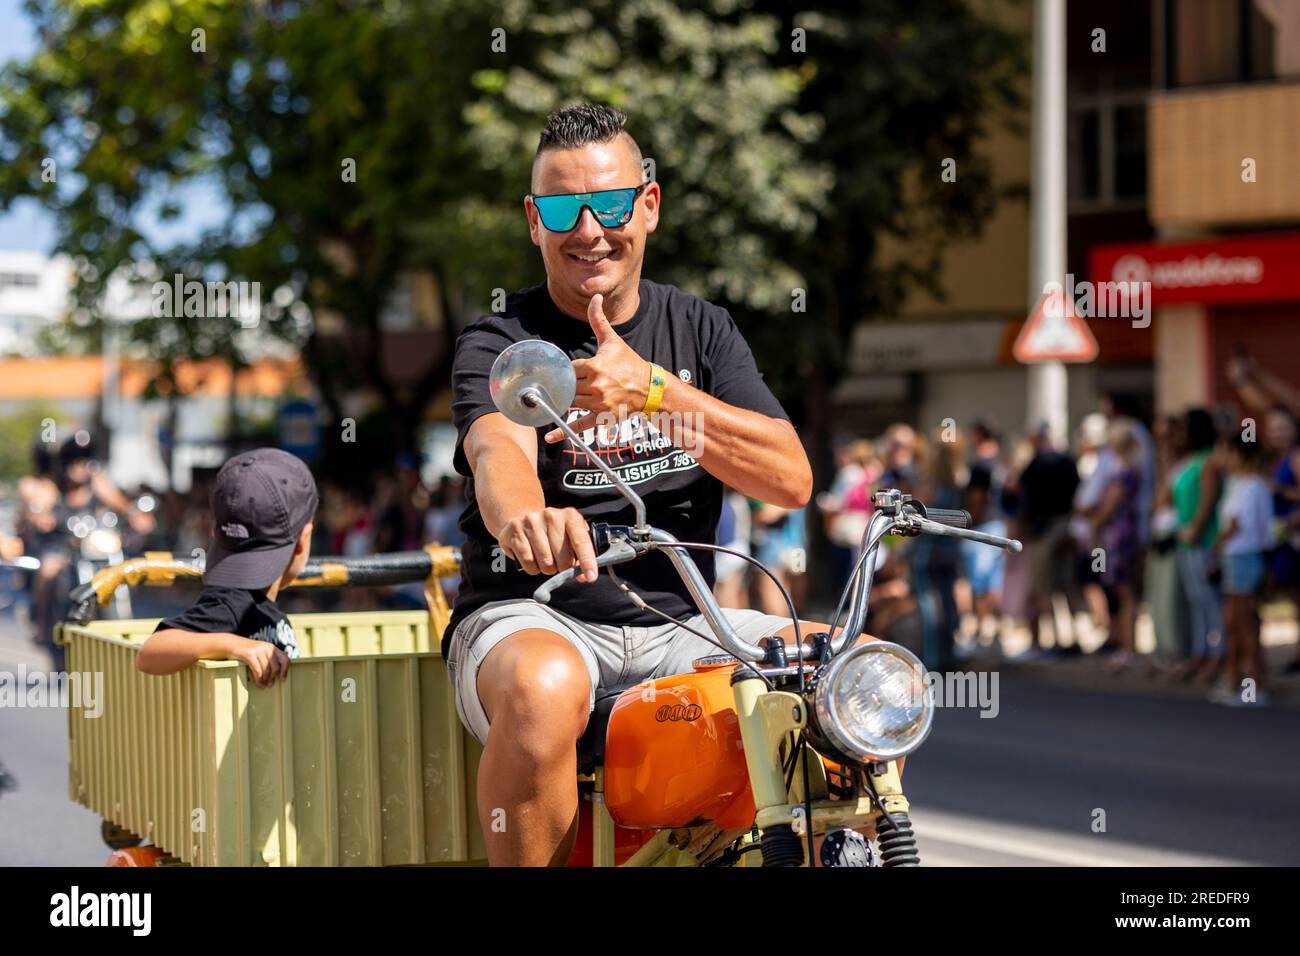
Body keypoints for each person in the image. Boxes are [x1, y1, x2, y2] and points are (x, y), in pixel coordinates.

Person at [446, 103, 819, 866]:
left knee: (848, 674)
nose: (589, 229)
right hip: (536, 618)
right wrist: (528, 521)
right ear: (533, 220)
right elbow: (499, 456)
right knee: (544, 688)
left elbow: (789, 478)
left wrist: (654, 391)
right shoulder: (505, 340)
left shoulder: (702, 330)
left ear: (647, 206)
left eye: (610, 203)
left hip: (686, 626)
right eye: (561, 208)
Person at [137, 449, 318, 688]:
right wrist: (233, 645)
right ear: (304, 539)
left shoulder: (257, 603)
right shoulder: (232, 602)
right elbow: (151, 652)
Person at [1209, 433, 1274, 706]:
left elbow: (1237, 524)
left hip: (1245, 557)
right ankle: (1235, 680)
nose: (1223, 458)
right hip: (1235, 557)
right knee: (1234, 624)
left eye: (1227, 452)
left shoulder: (1253, 486)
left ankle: (1255, 686)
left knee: (1245, 624)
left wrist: (1216, 547)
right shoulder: (1236, 484)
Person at [1171, 408, 1224, 683]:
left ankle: (1218, 654)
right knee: (1196, 600)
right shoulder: (1187, 461)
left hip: (1203, 541)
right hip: (1185, 542)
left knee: (1210, 600)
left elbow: (1207, 501)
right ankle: (1199, 652)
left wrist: (1195, 530)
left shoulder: (1208, 462)